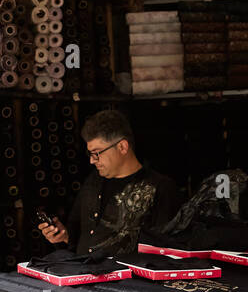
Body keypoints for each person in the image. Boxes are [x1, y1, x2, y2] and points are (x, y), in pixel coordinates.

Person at [39, 110, 179, 256]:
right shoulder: (93, 181)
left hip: (127, 278)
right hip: (81, 274)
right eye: (90, 153)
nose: (92, 160)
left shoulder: (161, 188)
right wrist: (63, 236)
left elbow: (166, 253)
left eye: (97, 153)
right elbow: (78, 238)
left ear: (122, 147)